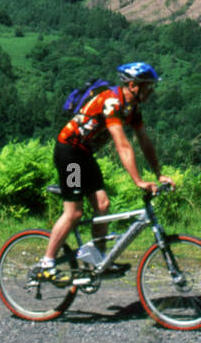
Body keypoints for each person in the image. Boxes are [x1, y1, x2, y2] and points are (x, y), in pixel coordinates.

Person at [34, 61, 172, 281]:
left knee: (102, 205)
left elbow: (145, 142)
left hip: (85, 154)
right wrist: (138, 180)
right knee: (74, 212)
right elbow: (122, 143)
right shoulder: (111, 102)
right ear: (134, 86)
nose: (152, 91)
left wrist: (158, 174)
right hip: (69, 153)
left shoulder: (132, 108)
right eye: (149, 86)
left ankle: (97, 261)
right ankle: (47, 263)